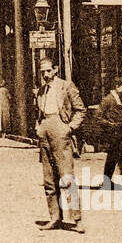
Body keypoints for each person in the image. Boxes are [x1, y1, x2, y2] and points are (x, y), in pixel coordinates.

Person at [33, 57, 86, 233]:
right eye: (42, 72)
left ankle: (77, 219)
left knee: (67, 177)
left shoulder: (66, 86)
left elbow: (80, 110)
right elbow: (39, 113)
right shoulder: (41, 91)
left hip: (61, 130)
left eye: (48, 71)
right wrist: (38, 127)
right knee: (49, 179)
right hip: (45, 132)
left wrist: (69, 128)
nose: (45, 75)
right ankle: (55, 217)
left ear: (55, 69)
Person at [97, 76, 122, 188]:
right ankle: (107, 182)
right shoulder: (108, 99)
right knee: (112, 158)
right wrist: (111, 125)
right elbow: (98, 117)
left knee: (119, 156)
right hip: (112, 133)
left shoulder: (118, 98)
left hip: (118, 132)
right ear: (117, 87)